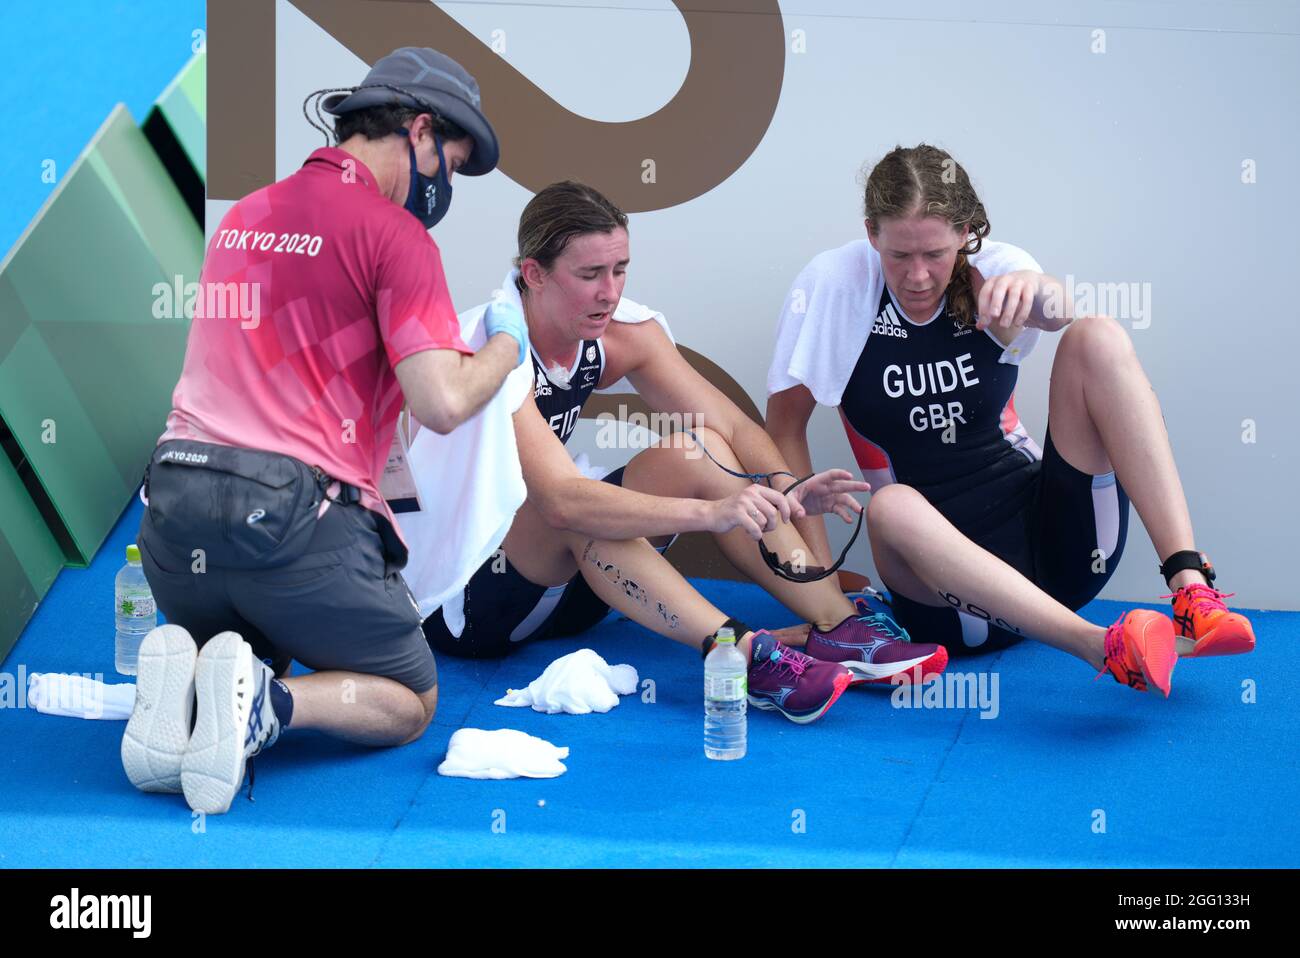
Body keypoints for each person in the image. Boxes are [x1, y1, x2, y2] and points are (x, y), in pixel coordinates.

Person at [415, 181, 1035, 723]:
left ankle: (838, 626)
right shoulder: (493, 346)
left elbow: (736, 434)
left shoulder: (624, 332)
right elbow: (558, 501)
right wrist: (709, 516)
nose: (609, 292)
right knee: (586, 509)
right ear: (534, 274)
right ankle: (740, 653)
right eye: (589, 276)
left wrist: (786, 490)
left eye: (621, 269)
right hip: (472, 606)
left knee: (700, 449)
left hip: (580, 593)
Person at [121, 47, 527, 815]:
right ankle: (267, 708)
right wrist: (507, 346)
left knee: (246, 649)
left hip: (174, 526)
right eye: (452, 159)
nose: (447, 183)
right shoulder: (398, 239)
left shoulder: (247, 215)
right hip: (292, 526)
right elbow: (441, 402)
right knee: (409, 697)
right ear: (418, 129)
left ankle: (197, 681)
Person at [765, 143, 1255, 700]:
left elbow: (1059, 310)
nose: (920, 276)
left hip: (1062, 552)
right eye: (899, 255)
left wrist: (1040, 289)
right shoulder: (835, 285)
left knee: (1096, 336)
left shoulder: (990, 270)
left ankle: (1190, 585)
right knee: (892, 505)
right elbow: (783, 432)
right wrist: (826, 605)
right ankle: (1102, 647)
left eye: (936, 253)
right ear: (871, 233)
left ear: (967, 233)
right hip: (946, 597)